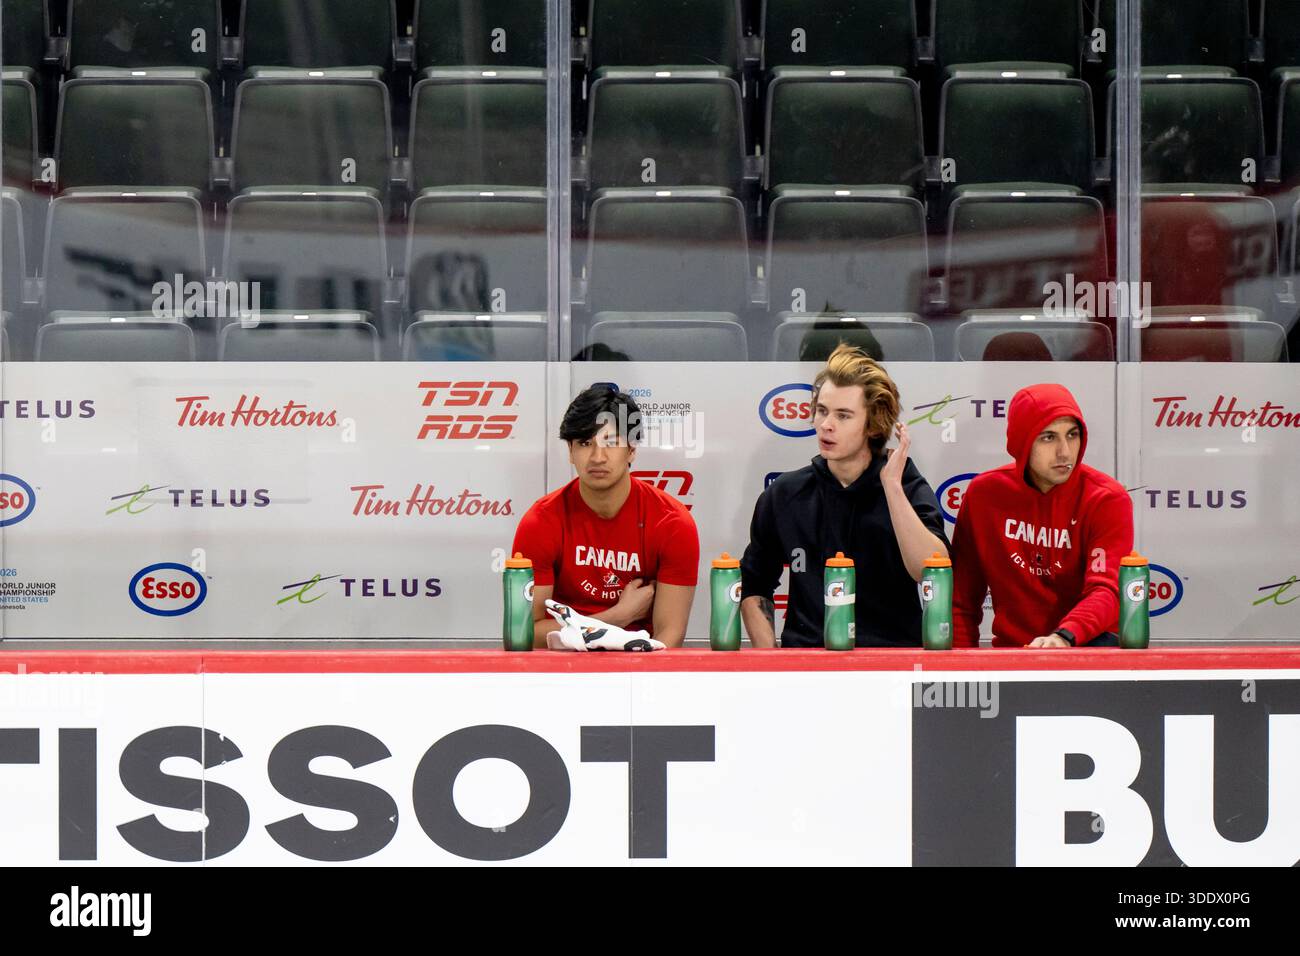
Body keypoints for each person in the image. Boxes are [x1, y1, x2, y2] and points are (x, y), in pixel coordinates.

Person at [740, 344, 949, 647]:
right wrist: (771, 656)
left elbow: (931, 571)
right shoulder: (785, 493)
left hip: (892, 665)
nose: (826, 424)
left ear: (874, 425)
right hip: (806, 662)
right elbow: (754, 583)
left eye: (843, 415)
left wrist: (891, 487)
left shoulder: (906, 487)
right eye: (822, 411)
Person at [512, 385, 699, 647]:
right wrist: (617, 617)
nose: (598, 457)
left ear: (631, 449)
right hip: (562, 672)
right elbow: (525, 634)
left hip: (640, 667)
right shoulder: (541, 522)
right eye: (585, 443)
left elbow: (669, 637)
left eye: (610, 443)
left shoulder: (672, 523)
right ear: (570, 451)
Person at [950, 383, 1134, 648]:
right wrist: (959, 671)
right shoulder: (984, 495)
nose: (1065, 452)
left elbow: (1106, 591)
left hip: (1089, 649)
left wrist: (1063, 637)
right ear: (1022, 443)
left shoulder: (1106, 498)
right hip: (1014, 655)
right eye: (1048, 437)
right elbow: (962, 601)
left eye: (1072, 435)